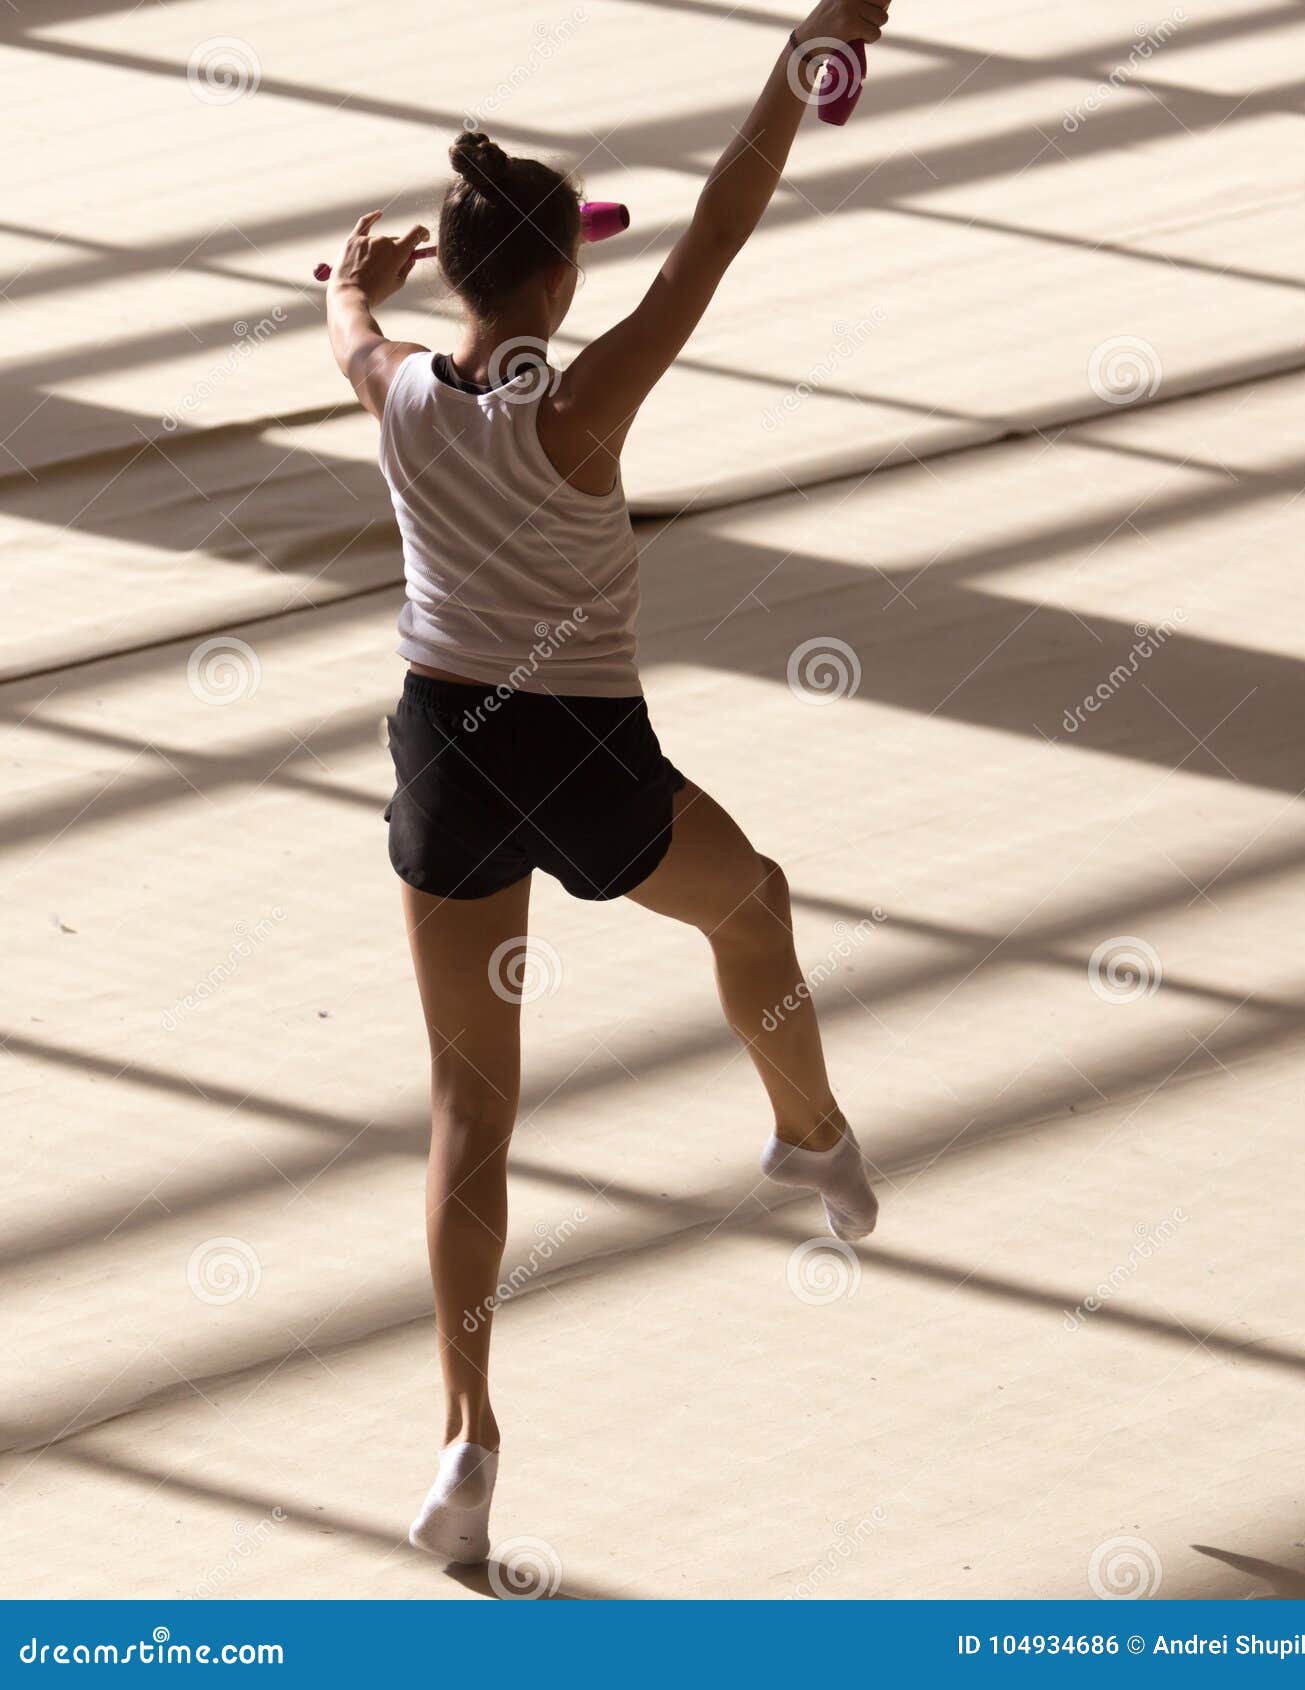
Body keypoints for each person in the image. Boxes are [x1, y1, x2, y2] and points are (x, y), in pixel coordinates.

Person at [325, 0, 888, 1566]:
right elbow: (722, 216)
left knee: (469, 1107)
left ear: (450, 271)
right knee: (752, 904)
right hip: (580, 751)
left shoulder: (400, 401)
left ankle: (464, 1437)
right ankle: (810, 1129)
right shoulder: (581, 406)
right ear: (564, 277)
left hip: (442, 744)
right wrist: (817, 49)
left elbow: (355, 342)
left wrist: (350, 292)